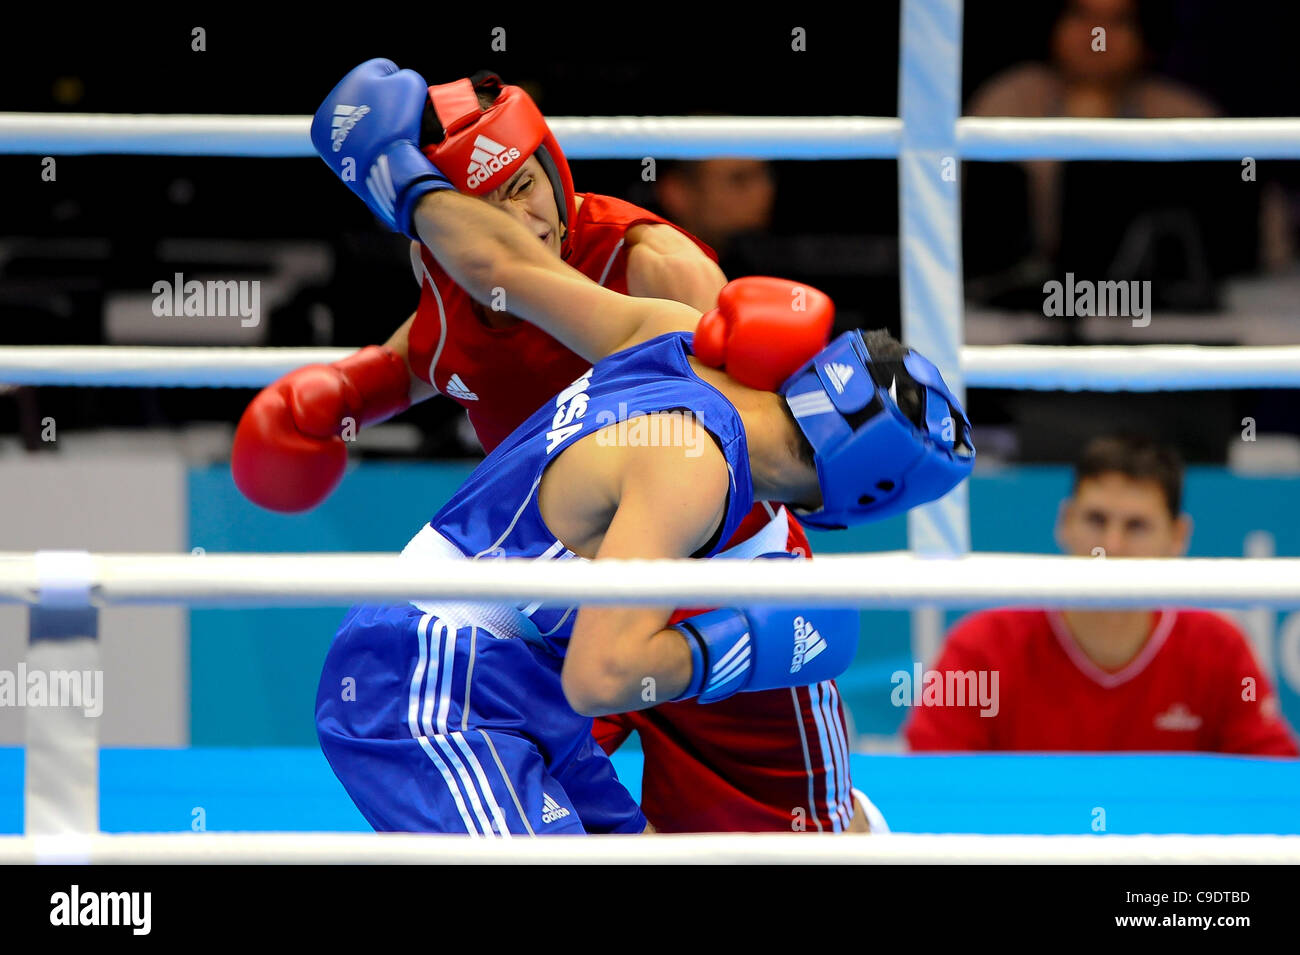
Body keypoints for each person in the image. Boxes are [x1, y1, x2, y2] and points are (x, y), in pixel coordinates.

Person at [237, 59, 975, 835]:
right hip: (506, 645)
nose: (517, 219)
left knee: (788, 822)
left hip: (660, 577)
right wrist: (340, 399)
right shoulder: (490, 299)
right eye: (484, 201)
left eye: (521, 189)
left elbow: (510, 265)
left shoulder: (663, 298)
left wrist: (396, 175)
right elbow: (604, 673)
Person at [906, 435, 1297, 755]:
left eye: (1137, 525)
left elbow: (1274, 786)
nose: (1111, 544)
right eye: (1097, 520)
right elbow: (927, 786)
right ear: (1065, 522)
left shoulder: (1220, 650)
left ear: (1178, 536)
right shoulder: (980, 648)